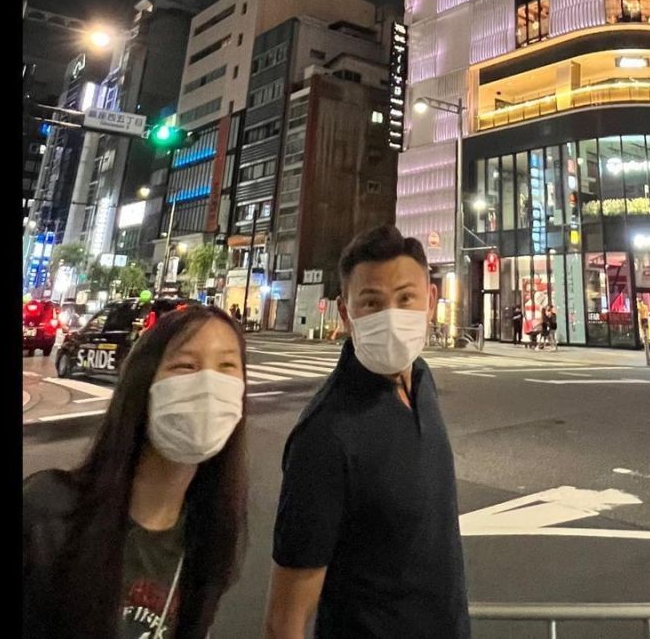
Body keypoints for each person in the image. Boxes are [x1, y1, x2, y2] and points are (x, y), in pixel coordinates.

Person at [265, 225, 470, 639]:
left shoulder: (421, 380)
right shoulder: (325, 434)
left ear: (431, 301)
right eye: (372, 302)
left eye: (406, 298)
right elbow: (285, 620)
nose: (392, 316)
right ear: (346, 314)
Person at [23, 305, 248, 639]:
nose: (208, 384)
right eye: (186, 365)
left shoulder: (209, 538)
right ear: (143, 385)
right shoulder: (48, 514)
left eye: (227, 366)